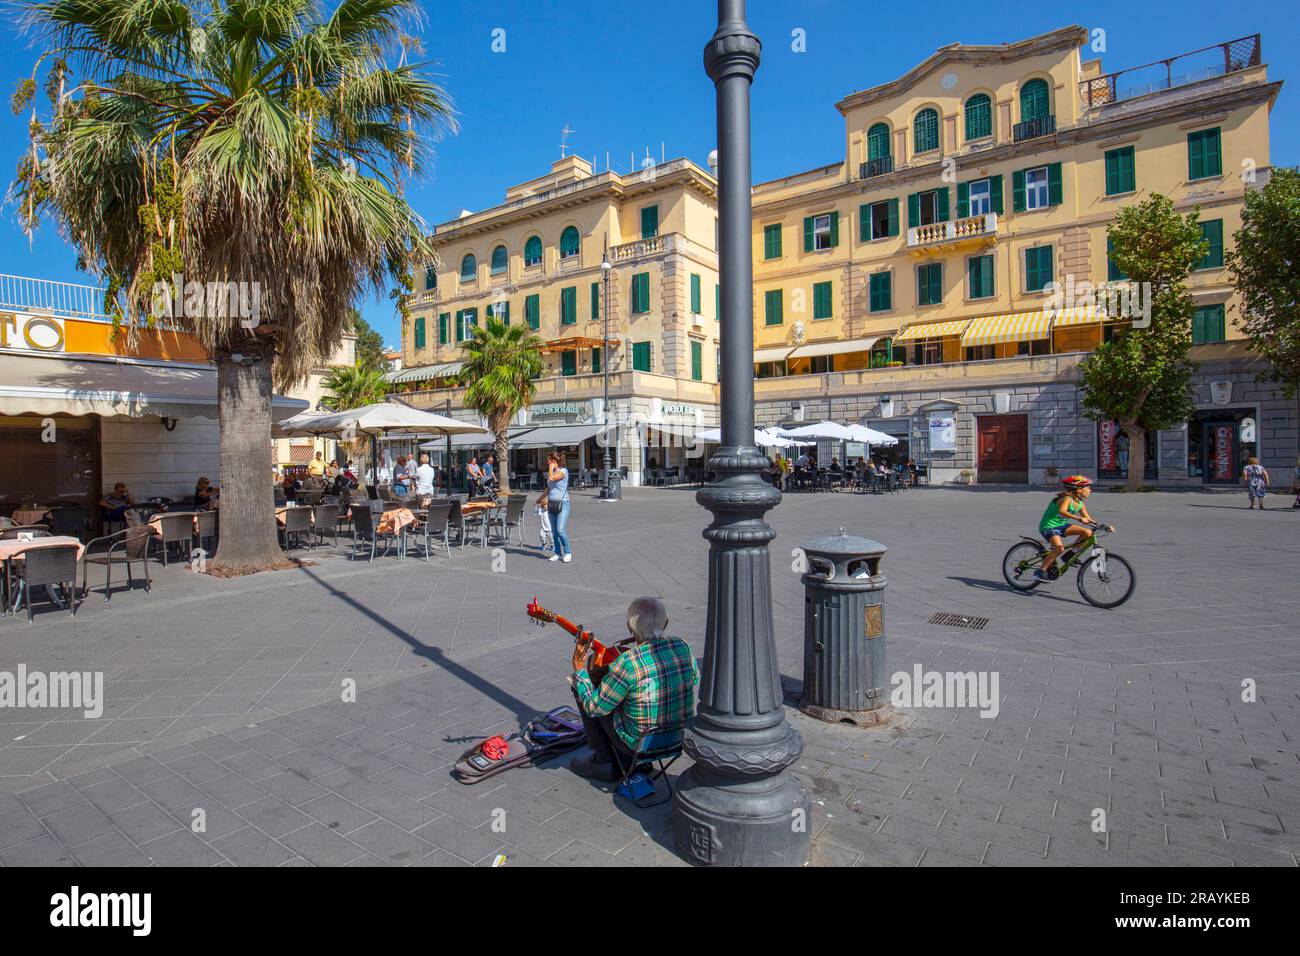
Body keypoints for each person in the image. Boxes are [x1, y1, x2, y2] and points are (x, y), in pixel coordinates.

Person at [567, 597, 698, 782]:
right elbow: (695, 678)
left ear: (630, 627)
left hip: (640, 745)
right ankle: (638, 764)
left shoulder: (628, 662)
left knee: (585, 686)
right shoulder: (682, 646)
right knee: (625, 693)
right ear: (666, 623)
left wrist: (579, 669)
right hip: (678, 738)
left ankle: (603, 761)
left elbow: (593, 707)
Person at [1036, 476, 1113, 580]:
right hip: (1049, 525)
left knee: (1087, 533)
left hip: (1061, 525)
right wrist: (1079, 518)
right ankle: (1041, 571)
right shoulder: (1067, 499)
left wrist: (1103, 526)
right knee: (1059, 549)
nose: (1090, 490)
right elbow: (1062, 511)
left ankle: (1069, 555)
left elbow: (1088, 518)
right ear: (1078, 489)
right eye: (1088, 488)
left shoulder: (1080, 503)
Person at [536, 451, 571, 562]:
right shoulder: (554, 472)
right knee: (554, 531)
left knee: (560, 530)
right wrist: (540, 498)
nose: (547, 462)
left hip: (563, 503)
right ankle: (557, 553)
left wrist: (552, 467)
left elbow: (551, 478)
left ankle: (568, 552)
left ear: (555, 461)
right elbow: (549, 488)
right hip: (551, 504)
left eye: (549, 460)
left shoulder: (563, 471)